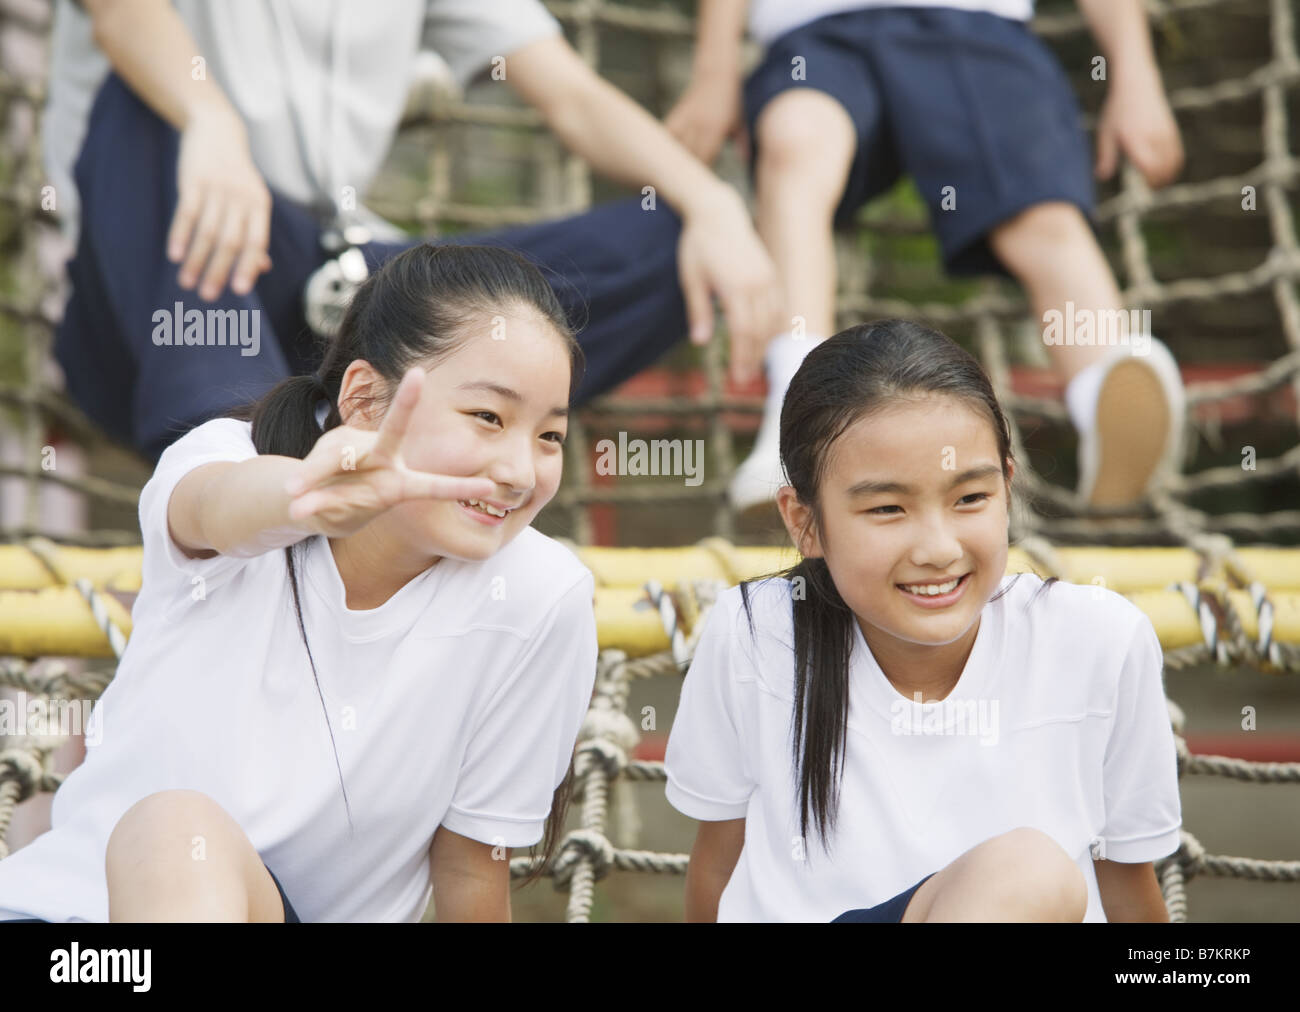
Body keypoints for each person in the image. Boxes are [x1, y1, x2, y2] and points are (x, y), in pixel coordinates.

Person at [0, 242, 599, 922]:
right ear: (364, 400)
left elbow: (470, 872)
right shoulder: (231, 464)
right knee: (175, 836)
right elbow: (216, 509)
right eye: (488, 417)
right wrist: (302, 496)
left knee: (179, 836)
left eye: (549, 435)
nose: (521, 471)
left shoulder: (540, 597)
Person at [43, 0, 785, 464]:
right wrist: (212, 119)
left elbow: (572, 97)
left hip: (331, 285)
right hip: (148, 299)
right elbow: (120, 14)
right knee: (148, 111)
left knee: (673, 235)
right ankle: (237, 465)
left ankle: (382, 427)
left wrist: (712, 201)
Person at [664, 320, 1182, 922]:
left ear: (1007, 489)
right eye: (887, 508)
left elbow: (1128, 891)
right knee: (1028, 873)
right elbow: (718, 869)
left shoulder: (1101, 641)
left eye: (970, 499)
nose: (938, 548)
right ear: (804, 521)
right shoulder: (755, 635)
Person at [667, 0, 1188, 512]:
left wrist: (1135, 72)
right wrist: (715, 73)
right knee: (795, 146)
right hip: (812, 27)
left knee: (1035, 213)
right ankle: (796, 424)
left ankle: (1108, 387)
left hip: (975, 20)